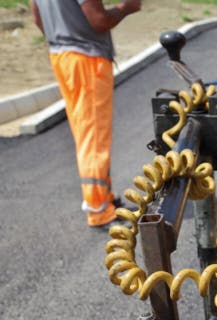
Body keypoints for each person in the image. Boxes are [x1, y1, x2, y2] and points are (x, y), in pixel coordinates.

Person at [31, 0, 141, 227]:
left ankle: (103, 198)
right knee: (94, 135)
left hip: (61, 56)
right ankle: (98, 208)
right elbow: (99, 20)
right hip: (87, 59)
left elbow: (37, 18)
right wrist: (126, 8)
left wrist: (62, 36)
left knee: (85, 132)